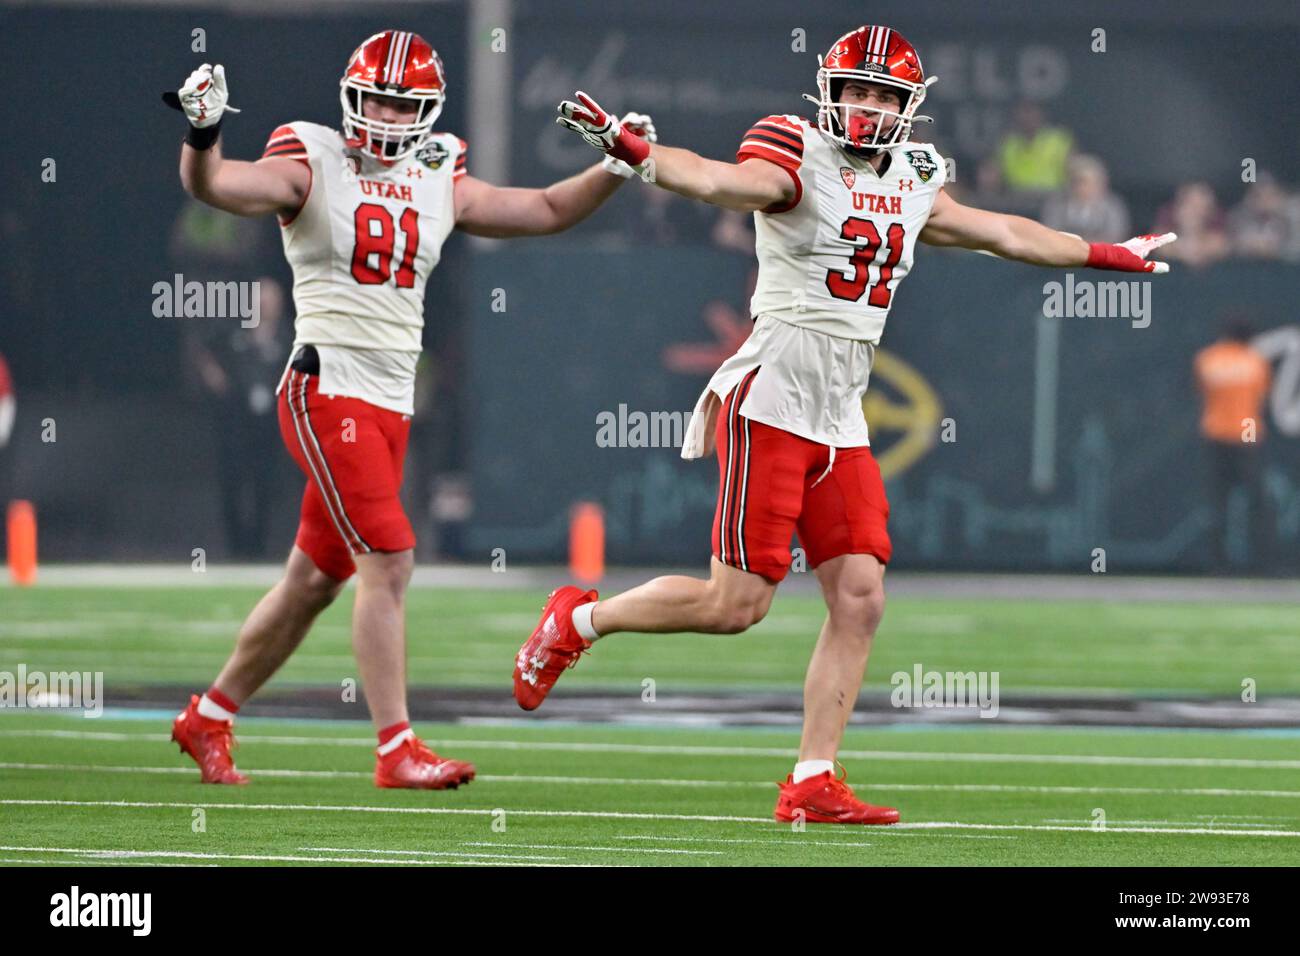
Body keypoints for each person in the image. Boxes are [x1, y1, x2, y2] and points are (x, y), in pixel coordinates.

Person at [514, 24, 1176, 824]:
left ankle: (813, 778)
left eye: (881, 95)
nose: (864, 107)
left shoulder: (916, 175)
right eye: (854, 91)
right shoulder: (793, 151)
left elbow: (1001, 231)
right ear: (826, 92)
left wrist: (1105, 253)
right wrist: (637, 152)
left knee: (859, 596)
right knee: (737, 606)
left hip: (840, 411)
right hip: (773, 397)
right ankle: (576, 620)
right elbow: (719, 182)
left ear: (907, 108)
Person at [166, 29, 653, 788]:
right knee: (389, 559)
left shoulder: (438, 170)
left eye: (404, 104)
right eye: (379, 101)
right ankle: (396, 748)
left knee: (313, 581)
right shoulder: (310, 157)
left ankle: (210, 718)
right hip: (328, 386)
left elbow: (549, 207)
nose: (390, 118)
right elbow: (217, 186)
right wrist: (203, 133)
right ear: (351, 99)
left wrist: (618, 165)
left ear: (426, 111)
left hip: (389, 402)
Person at [1194, 317, 1272, 568]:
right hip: (1246, 436)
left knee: (1217, 502)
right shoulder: (1254, 362)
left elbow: (1201, 391)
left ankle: (1217, 562)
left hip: (1215, 435)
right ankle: (1261, 560)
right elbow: (1261, 396)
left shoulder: (1208, 359)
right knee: (1256, 501)